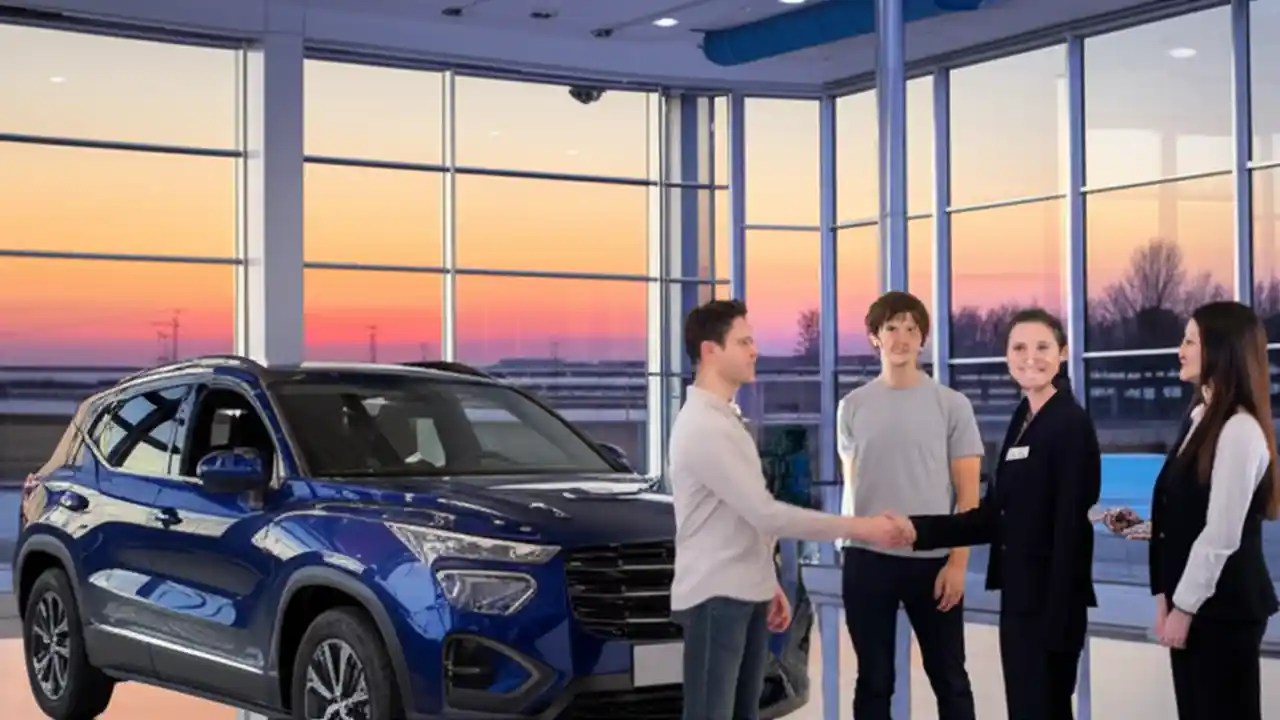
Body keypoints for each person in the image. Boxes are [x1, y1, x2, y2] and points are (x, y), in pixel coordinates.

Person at [669, 299, 905, 720]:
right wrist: (864, 527)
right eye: (743, 342)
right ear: (710, 351)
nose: (754, 350)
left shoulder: (726, 419)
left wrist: (767, 580)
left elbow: (744, 516)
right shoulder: (703, 426)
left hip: (743, 594)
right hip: (715, 597)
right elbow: (767, 513)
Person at [886, 308, 1102, 720]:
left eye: (1042, 347)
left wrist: (1058, 621)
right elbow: (996, 516)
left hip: (1050, 607)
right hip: (1021, 599)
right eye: (1019, 348)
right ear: (1006, 356)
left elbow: (1071, 530)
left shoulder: (1069, 424)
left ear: (1062, 353)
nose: (1030, 358)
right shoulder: (1025, 418)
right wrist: (917, 530)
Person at [836, 291, 982, 720]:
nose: (901, 337)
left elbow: (968, 496)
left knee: (950, 678)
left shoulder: (952, 405)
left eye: (911, 329)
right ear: (875, 337)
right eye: (891, 328)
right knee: (874, 680)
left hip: (932, 560)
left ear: (922, 339)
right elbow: (854, 484)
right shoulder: (852, 406)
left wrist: (958, 564)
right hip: (866, 560)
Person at [1147, 301, 1279, 719]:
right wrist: (1166, 594)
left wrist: (1184, 607)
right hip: (1199, 606)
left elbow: (1222, 533)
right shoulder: (1200, 417)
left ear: (1221, 350)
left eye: (1190, 341)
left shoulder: (1239, 430)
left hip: (1223, 611)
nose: (1180, 350)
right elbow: (1192, 512)